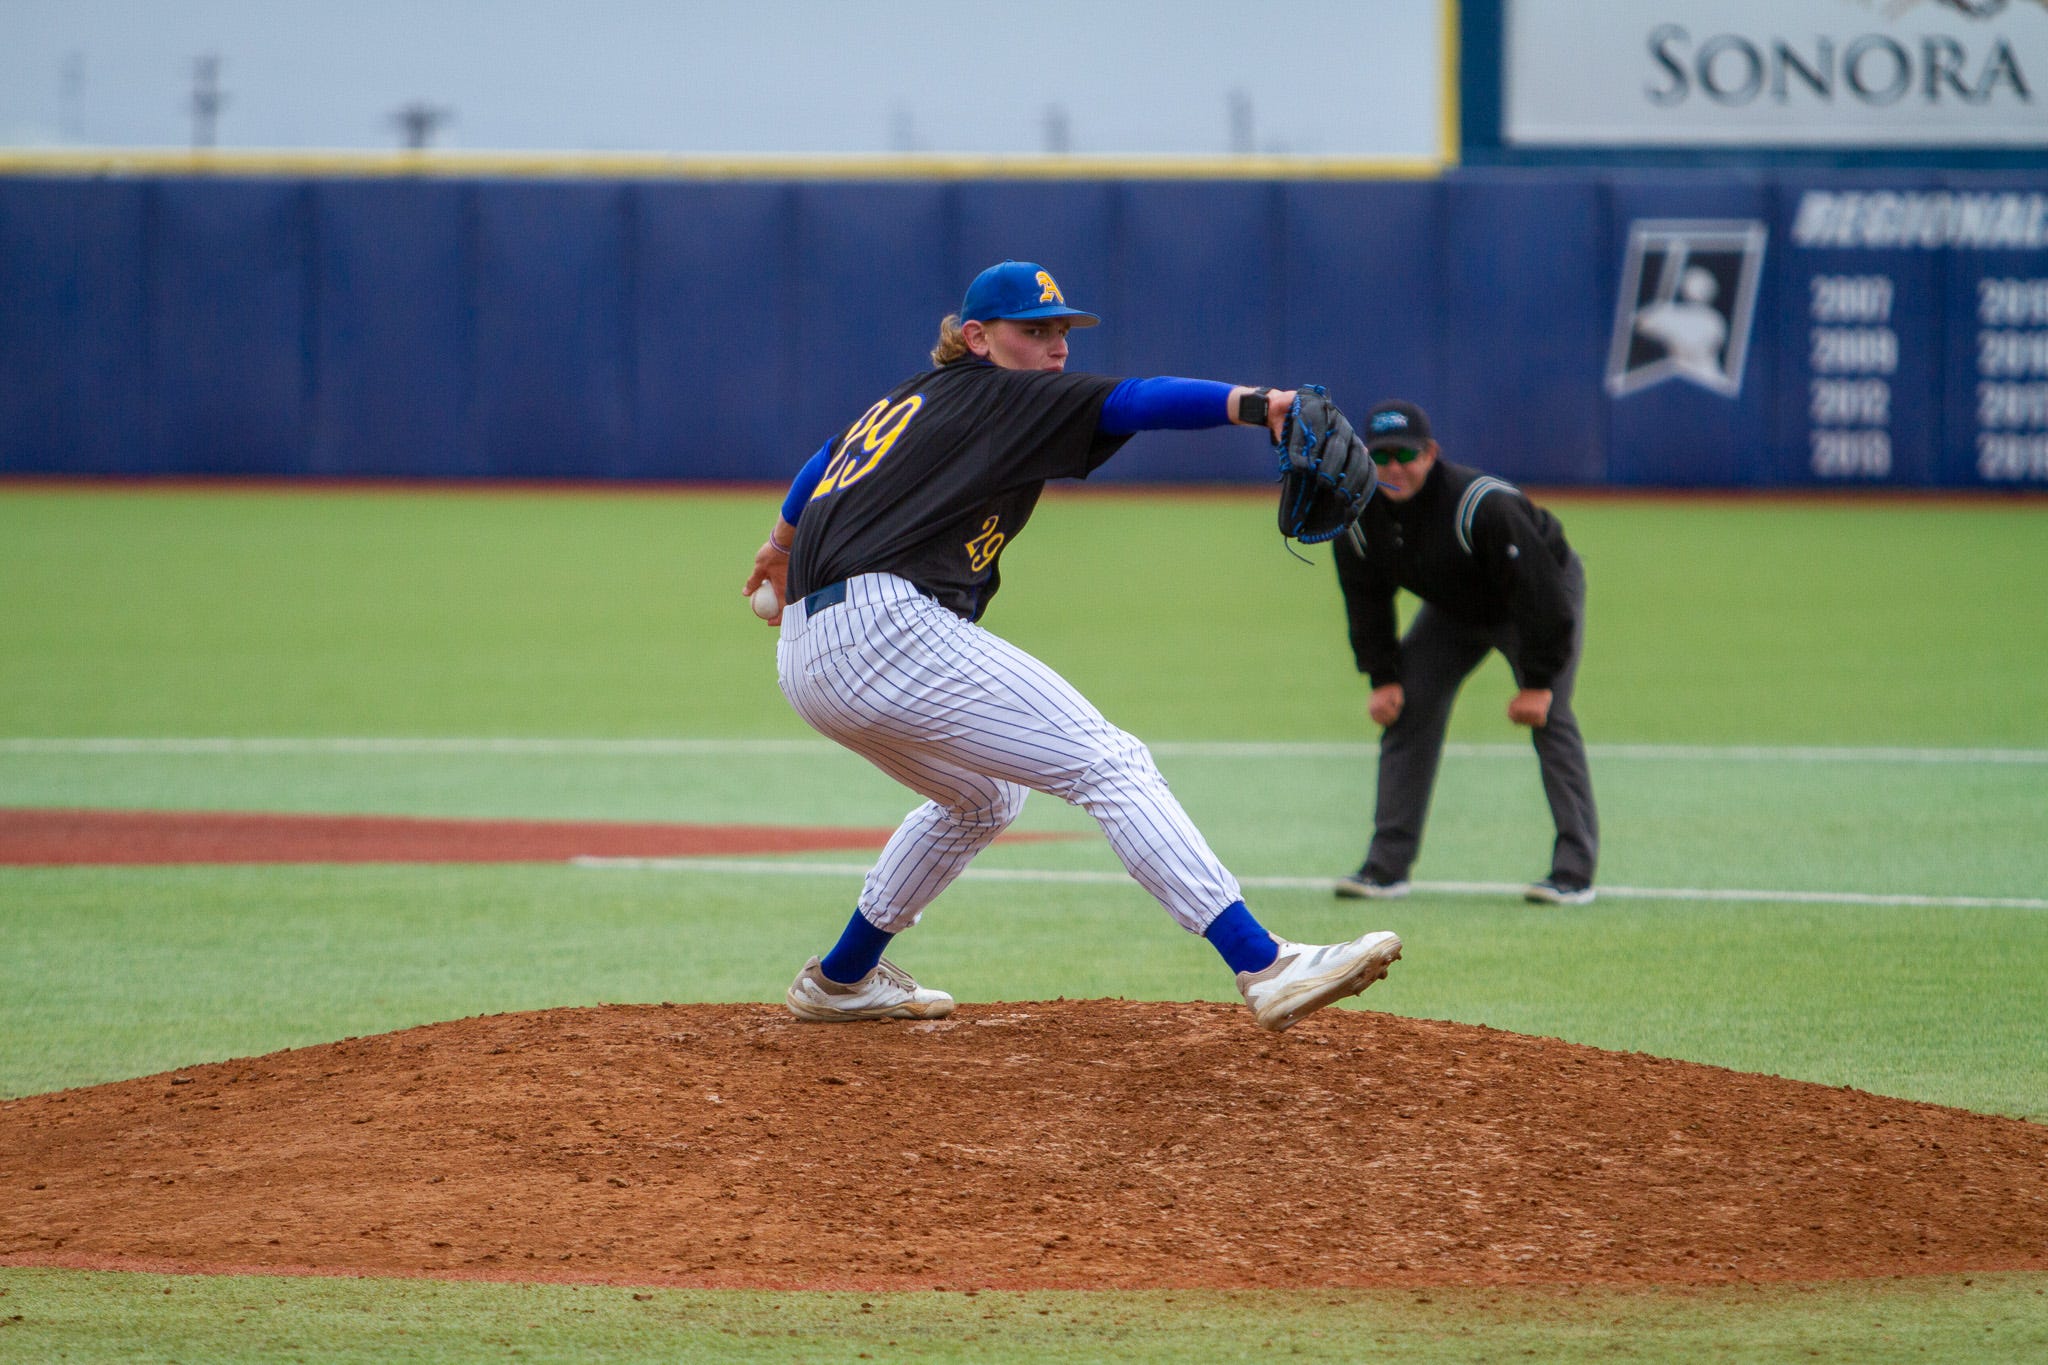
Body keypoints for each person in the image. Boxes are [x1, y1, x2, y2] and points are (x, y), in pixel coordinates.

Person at [741, 260, 1401, 1032]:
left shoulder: (907, 402)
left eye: (1062, 330)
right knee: (1109, 760)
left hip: (809, 650)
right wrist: (1262, 405)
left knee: (985, 796)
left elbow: (825, 455)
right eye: (1034, 331)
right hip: (884, 625)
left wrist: (780, 542)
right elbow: (1134, 400)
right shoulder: (1000, 392)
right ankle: (1265, 963)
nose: (1056, 347)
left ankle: (842, 978)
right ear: (979, 338)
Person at [1329, 399, 1599, 906]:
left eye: (1405, 454)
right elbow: (1365, 602)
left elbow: (1543, 596)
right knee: (1405, 708)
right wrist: (1382, 676)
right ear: (1365, 457)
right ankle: (1386, 868)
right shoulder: (1359, 519)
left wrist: (1538, 683)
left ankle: (1573, 872)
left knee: (1551, 719)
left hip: (1535, 600)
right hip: (1454, 610)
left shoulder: (1483, 504)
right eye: (1382, 457)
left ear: (1431, 453)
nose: (1394, 468)